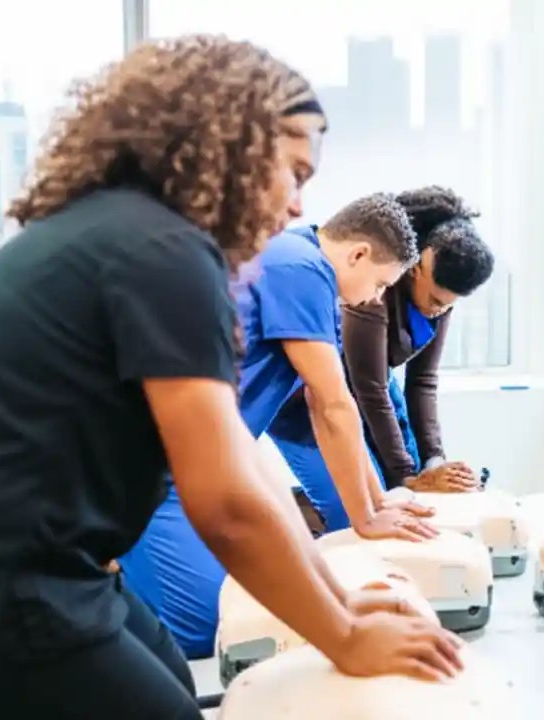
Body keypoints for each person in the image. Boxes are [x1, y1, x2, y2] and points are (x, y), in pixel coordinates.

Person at [0, 35, 461, 720]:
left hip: (48, 565)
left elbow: (243, 472)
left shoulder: (118, 231)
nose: (299, 207)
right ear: (233, 147)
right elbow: (224, 503)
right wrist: (343, 636)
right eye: (295, 174)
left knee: (170, 671)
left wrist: (335, 595)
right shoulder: (167, 253)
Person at [120, 193, 443, 659]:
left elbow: (332, 402)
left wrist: (380, 500)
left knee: (236, 592)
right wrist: (367, 518)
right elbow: (330, 403)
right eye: (379, 283)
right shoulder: (303, 270)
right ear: (358, 254)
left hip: (195, 458)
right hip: (158, 461)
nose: (376, 299)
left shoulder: (296, 258)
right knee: (203, 629)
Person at [269, 185, 496, 528]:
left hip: (357, 393)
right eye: (435, 301)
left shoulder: (439, 295)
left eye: (447, 306)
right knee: (352, 507)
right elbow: (362, 389)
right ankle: (286, 516)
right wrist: (403, 479)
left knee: (397, 496)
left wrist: (432, 465)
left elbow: (421, 382)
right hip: (309, 402)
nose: (438, 312)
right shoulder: (369, 291)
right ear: (415, 268)